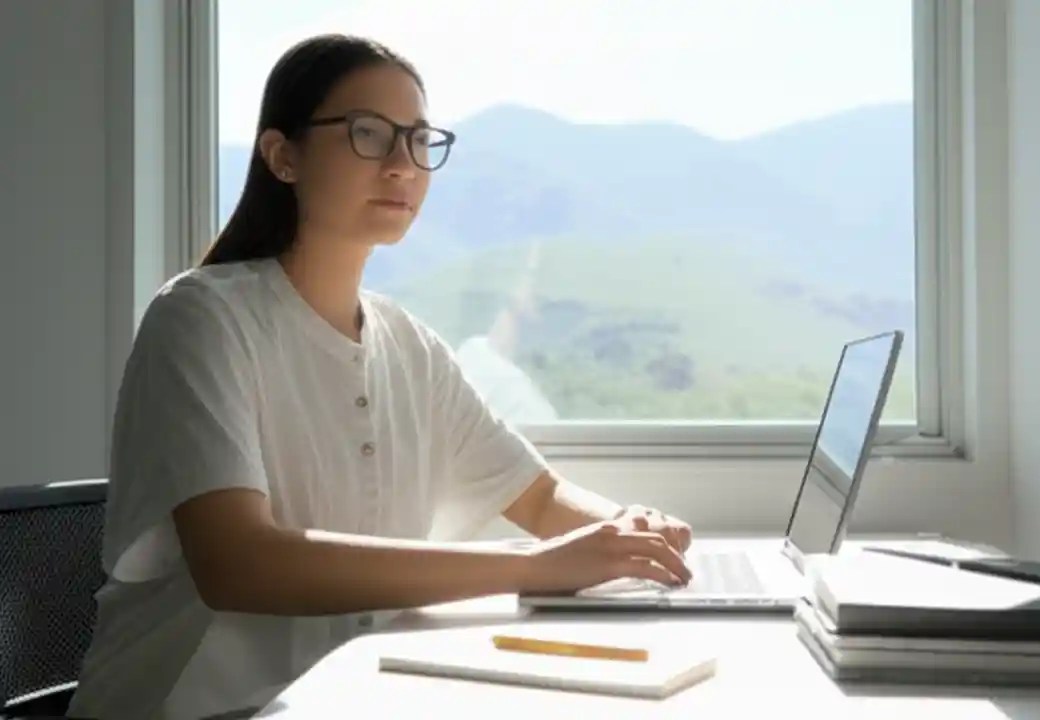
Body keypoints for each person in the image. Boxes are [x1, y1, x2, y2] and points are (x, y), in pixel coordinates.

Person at [67, 34, 693, 720]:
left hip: (351, 700)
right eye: (369, 134)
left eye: (419, 139)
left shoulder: (408, 344)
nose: (403, 165)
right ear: (283, 156)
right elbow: (240, 564)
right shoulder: (200, 318)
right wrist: (534, 566)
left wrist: (631, 534)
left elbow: (539, 497)